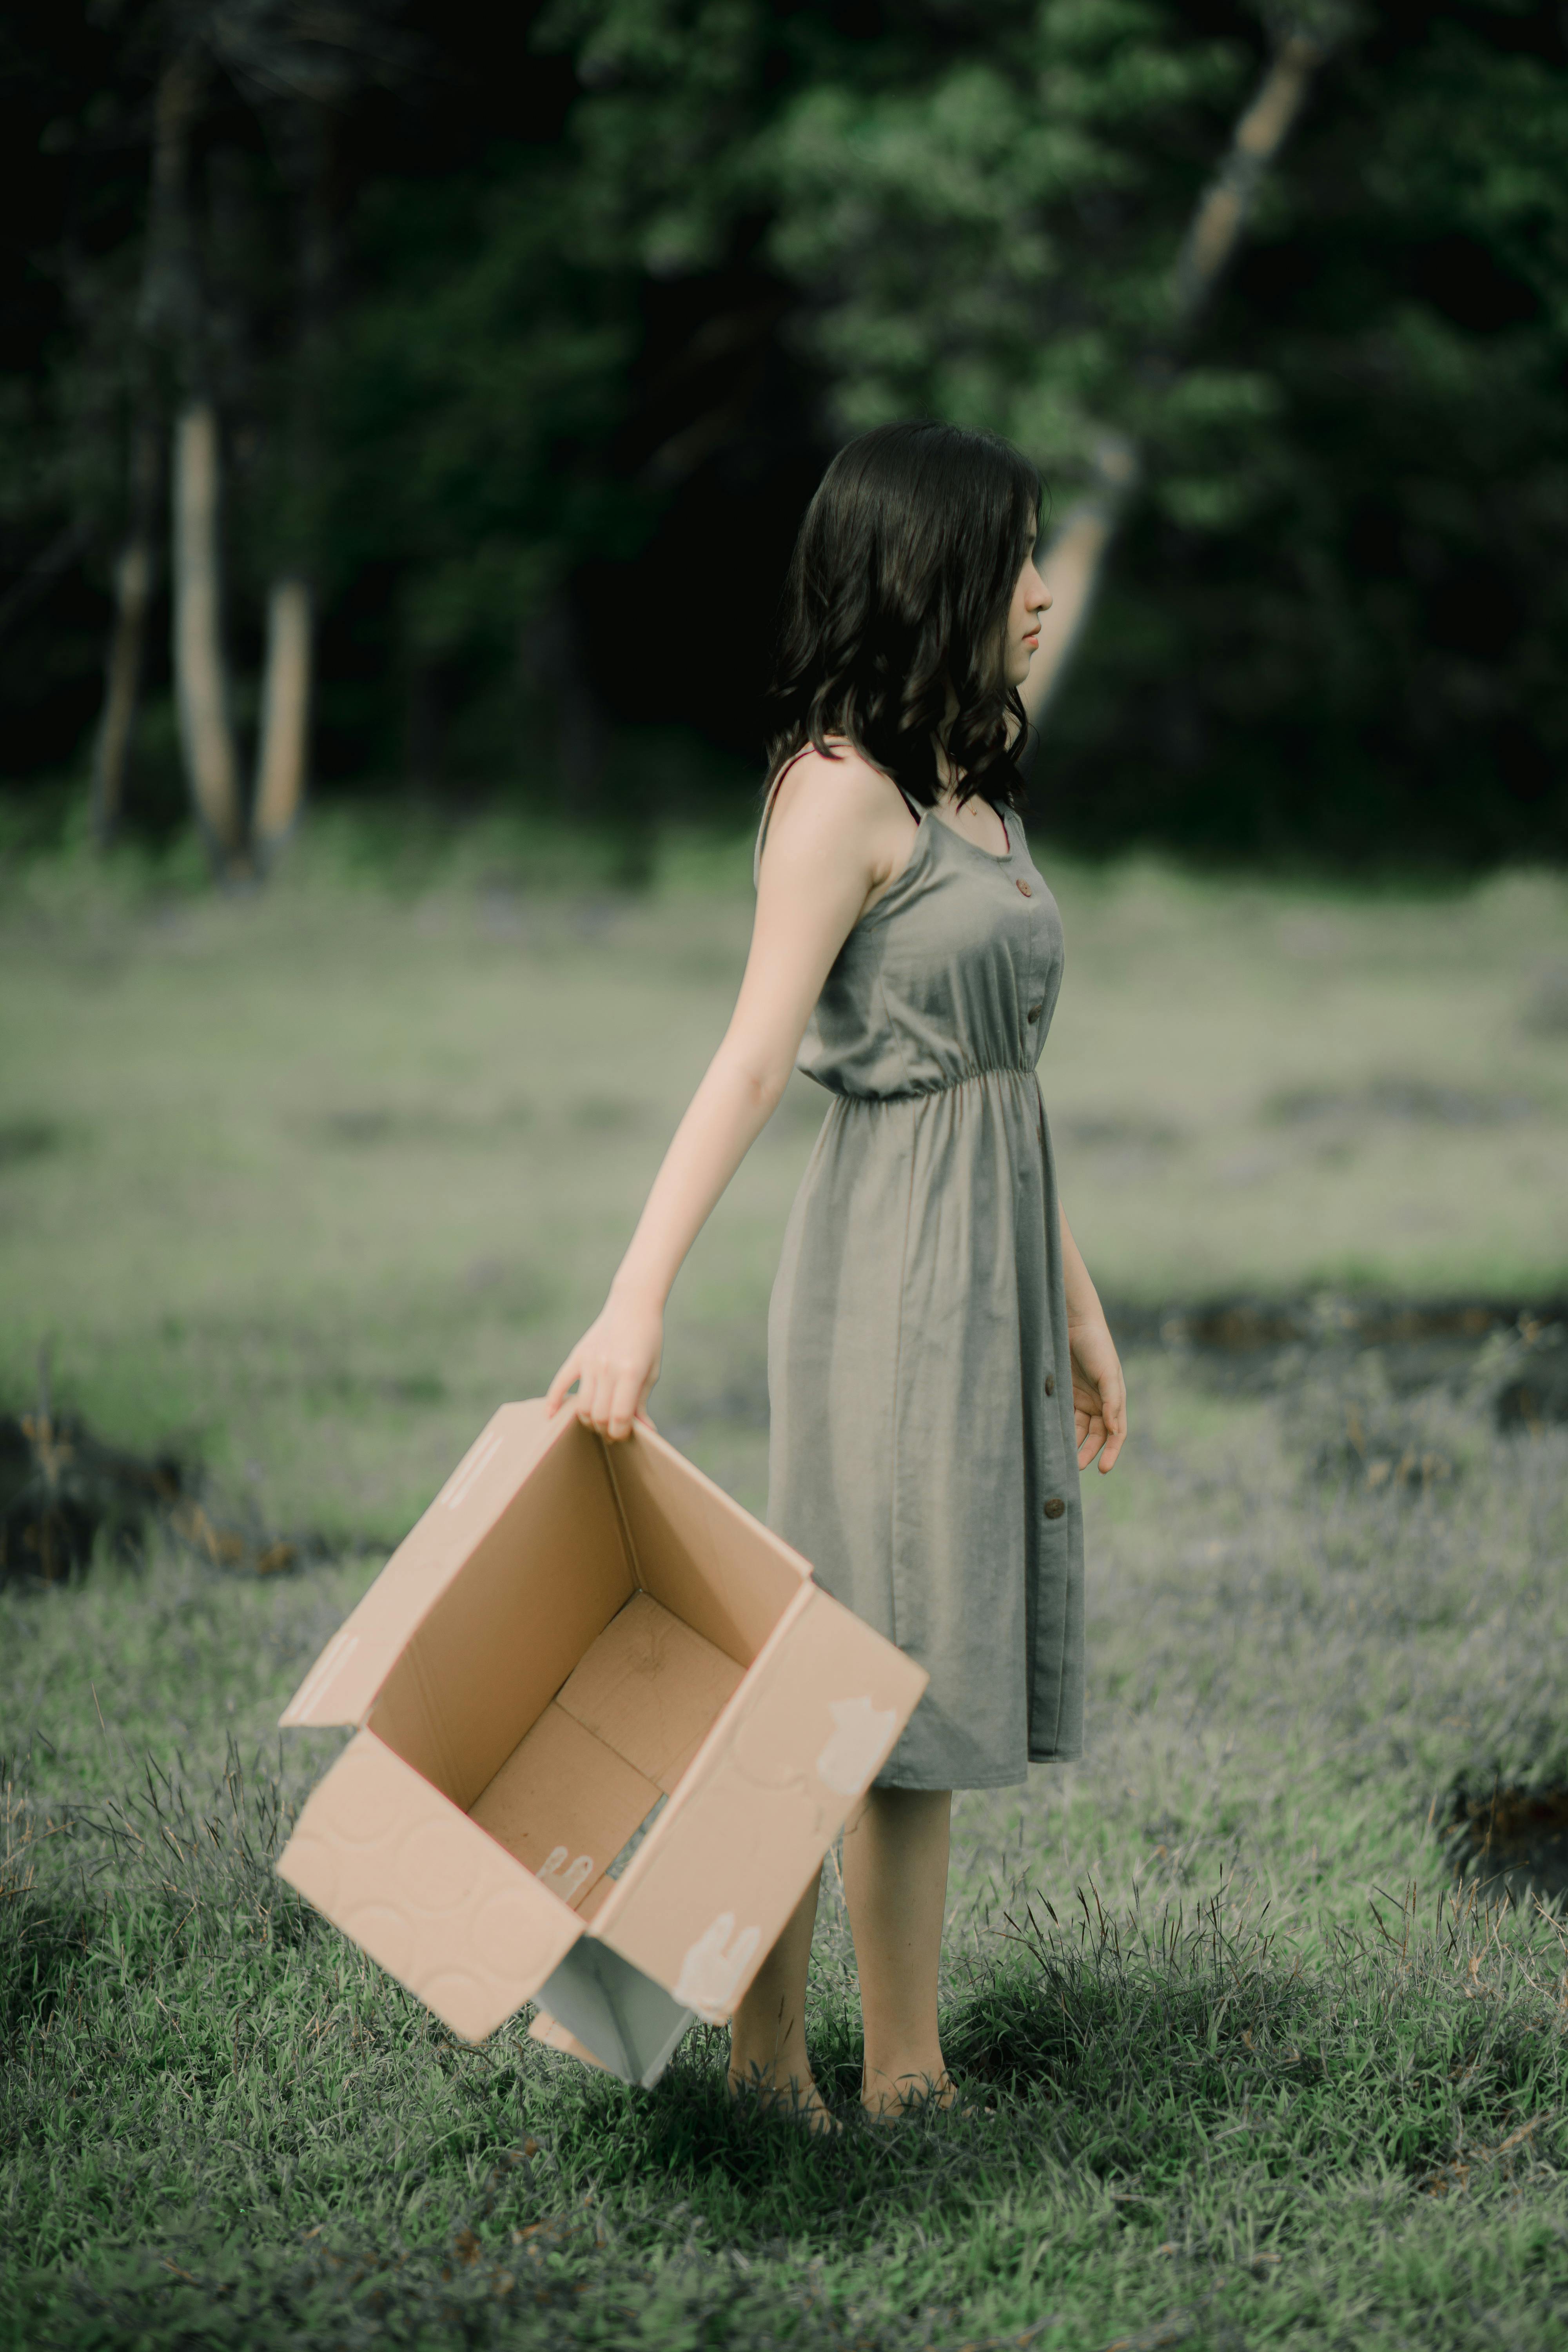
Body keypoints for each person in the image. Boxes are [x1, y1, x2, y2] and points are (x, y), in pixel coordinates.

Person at [547, 419, 1127, 2128]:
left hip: (994, 1266)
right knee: (835, 1679)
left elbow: (1007, 1080)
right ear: (925, 572)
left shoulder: (971, 782)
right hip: (886, 1274)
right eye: (1009, 558)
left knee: (915, 1672)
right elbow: (747, 1060)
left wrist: (1078, 1308)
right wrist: (633, 1296)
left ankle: (908, 2067)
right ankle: (761, 2057)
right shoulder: (837, 792)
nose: (1037, 591)